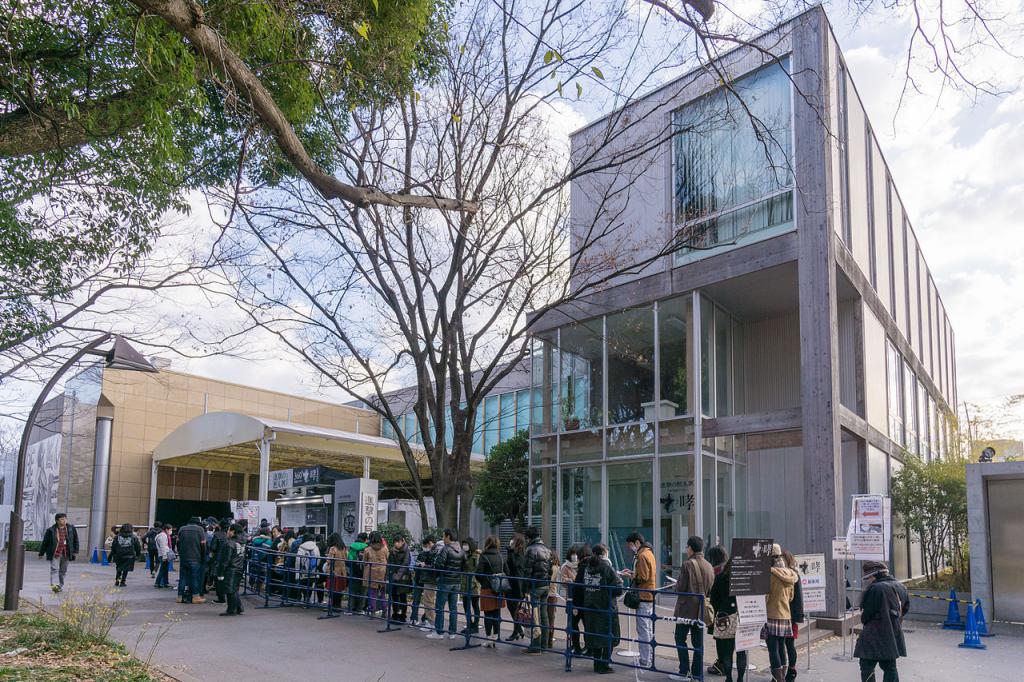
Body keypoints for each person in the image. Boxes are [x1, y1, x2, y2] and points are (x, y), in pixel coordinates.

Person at [854, 560, 909, 682]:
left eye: (868, 577)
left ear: (873, 575)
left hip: (874, 634)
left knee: (866, 664)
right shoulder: (901, 587)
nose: (868, 580)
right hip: (893, 631)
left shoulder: (876, 588)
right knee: (890, 666)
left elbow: (867, 614)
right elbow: (905, 609)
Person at [670, 536, 715, 682]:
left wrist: (675, 585)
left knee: (680, 638)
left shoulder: (688, 564)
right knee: (697, 642)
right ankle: (696, 673)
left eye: (686, 547)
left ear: (690, 548)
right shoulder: (709, 566)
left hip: (686, 609)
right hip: (701, 610)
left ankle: (684, 670)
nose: (686, 550)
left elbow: (681, 588)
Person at [580, 544, 623, 674]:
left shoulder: (587, 567)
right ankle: (604, 664)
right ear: (603, 554)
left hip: (590, 606)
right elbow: (618, 588)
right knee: (609, 635)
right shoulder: (606, 567)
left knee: (595, 636)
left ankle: (597, 663)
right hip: (605, 607)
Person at [708, 549, 747, 682]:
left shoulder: (721, 577)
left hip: (724, 618)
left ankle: (729, 678)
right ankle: (740, 679)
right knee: (741, 652)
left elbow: (714, 600)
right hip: (743, 618)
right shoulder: (746, 578)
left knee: (726, 652)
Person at [621, 531, 657, 669]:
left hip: (643, 596)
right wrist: (632, 573)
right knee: (647, 628)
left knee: (643, 630)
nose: (630, 548)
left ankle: (645, 660)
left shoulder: (642, 556)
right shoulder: (649, 553)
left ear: (637, 542)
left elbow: (643, 577)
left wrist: (630, 576)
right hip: (649, 595)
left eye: (631, 544)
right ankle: (648, 658)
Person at [765, 544, 799, 682]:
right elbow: (791, 597)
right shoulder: (790, 573)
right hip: (786, 615)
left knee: (773, 649)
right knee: (781, 648)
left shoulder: (770, 574)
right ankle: (781, 678)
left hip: (772, 614)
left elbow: (766, 597)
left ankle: (778, 679)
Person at [427, 528, 467, 640]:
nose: (443, 538)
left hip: (445, 582)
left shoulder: (446, 549)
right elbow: (465, 566)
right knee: (453, 608)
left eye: (444, 536)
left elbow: (439, 565)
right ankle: (452, 632)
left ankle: (439, 632)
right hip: (456, 582)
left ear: (448, 537)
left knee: (440, 607)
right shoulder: (461, 550)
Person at [523, 526, 553, 654]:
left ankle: (536, 645)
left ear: (529, 537)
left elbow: (527, 571)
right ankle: (544, 644)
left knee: (535, 616)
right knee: (544, 614)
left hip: (535, 586)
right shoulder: (546, 549)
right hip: (545, 584)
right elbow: (550, 569)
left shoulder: (530, 550)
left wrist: (525, 588)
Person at [476, 535, 506, 646]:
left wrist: (484, 581)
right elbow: (506, 570)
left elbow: (478, 573)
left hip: (487, 588)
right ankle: (496, 636)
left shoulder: (484, 556)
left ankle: (489, 639)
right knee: (497, 614)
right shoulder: (501, 556)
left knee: (488, 614)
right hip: (499, 589)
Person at [38, 512, 79, 593]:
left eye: (65, 519)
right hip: (55, 553)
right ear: (57, 520)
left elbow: (76, 540)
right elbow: (45, 542)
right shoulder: (51, 530)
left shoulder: (71, 528)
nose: (64, 520)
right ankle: (54, 586)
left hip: (66, 552)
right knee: (54, 569)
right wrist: (41, 553)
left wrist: (75, 551)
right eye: (62, 519)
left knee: (63, 571)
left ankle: (60, 585)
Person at [705, 545, 729, 677]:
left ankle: (721, 665)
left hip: (719, 611)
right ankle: (725, 663)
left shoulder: (717, 572)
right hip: (732, 611)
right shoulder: (729, 568)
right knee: (728, 640)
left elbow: (713, 595)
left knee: (720, 639)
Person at [781, 550, 805, 682]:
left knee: (787, 644)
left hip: (787, 614)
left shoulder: (790, 574)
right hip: (790, 614)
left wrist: (797, 615)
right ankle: (791, 670)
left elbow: (797, 597)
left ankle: (790, 669)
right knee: (788, 644)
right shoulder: (795, 574)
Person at [213, 523, 246, 616]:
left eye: (229, 530)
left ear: (233, 531)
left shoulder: (230, 543)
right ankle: (239, 607)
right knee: (234, 589)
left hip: (231, 569)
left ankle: (231, 610)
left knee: (230, 589)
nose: (227, 532)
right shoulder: (242, 542)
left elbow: (225, 560)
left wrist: (220, 572)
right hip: (239, 568)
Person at [176, 516, 207, 604]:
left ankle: (180, 596)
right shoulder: (200, 529)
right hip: (195, 558)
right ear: (198, 523)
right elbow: (203, 546)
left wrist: (180, 553)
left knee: (182, 578)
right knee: (195, 577)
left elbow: (177, 543)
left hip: (183, 557)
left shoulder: (182, 529)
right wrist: (203, 558)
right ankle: (195, 597)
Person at [410, 535, 438, 630]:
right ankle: (422, 619)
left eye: (426, 545)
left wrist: (423, 565)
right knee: (427, 601)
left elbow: (431, 566)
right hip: (423, 579)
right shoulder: (430, 553)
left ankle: (427, 620)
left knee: (427, 601)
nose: (425, 548)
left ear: (429, 543)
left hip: (425, 579)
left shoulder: (433, 553)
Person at [565, 544, 587, 655]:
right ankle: (577, 646)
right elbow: (564, 582)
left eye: (576, 555)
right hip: (573, 598)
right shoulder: (566, 566)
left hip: (578, 599)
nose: (575, 557)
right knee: (574, 623)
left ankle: (582, 648)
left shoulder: (583, 566)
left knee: (577, 623)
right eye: (573, 554)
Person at [505, 533, 527, 641]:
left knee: (514, 609)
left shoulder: (519, 554)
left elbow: (513, 565)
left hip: (516, 585)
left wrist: (509, 552)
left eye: (513, 540)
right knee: (513, 608)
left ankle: (516, 631)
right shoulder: (517, 553)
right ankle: (519, 630)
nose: (511, 542)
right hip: (515, 584)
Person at [387, 535, 414, 622]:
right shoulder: (392, 551)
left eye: (398, 542)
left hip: (403, 578)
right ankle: (395, 614)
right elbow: (389, 563)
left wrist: (397, 575)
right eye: (395, 542)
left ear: (402, 541)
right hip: (394, 576)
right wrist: (391, 574)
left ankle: (403, 615)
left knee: (402, 597)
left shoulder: (406, 551)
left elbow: (405, 564)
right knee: (394, 596)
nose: (396, 544)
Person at [364, 531, 390, 616]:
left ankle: (372, 611)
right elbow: (388, 558)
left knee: (372, 593)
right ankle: (384, 610)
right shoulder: (385, 549)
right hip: (382, 573)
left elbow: (364, 561)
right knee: (383, 593)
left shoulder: (367, 549)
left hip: (371, 573)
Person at [111, 523, 142, 587]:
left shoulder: (117, 537)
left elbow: (113, 546)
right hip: (129, 555)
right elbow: (137, 546)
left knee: (119, 568)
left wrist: (114, 553)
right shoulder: (134, 537)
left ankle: (117, 581)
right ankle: (122, 582)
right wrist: (138, 554)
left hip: (119, 555)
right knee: (126, 569)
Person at [461, 537, 481, 634]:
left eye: (466, 544)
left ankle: (475, 626)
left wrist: (473, 581)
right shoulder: (464, 554)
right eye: (464, 544)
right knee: (466, 605)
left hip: (474, 585)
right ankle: (469, 624)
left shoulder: (476, 556)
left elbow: (478, 570)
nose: (465, 546)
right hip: (465, 583)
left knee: (475, 605)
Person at [325, 533, 349, 609]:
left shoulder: (333, 549)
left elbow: (329, 561)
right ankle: (338, 605)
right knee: (339, 589)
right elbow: (346, 558)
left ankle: (332, 607)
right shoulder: (344, 548)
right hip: (342, 572)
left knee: (332, 589)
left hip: (333, 571)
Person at [347, 532, 370, 613]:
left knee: (352, 590)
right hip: (364, 572)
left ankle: (350, 608)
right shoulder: (367, 548)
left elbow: (348, 559)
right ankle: (360, 609)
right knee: (363, 591)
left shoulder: (352, 547)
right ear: (365, 539)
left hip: (354, 570)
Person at [296, 532, 321, 603]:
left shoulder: (301, 547)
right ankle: (308, 598)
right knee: (310, 585)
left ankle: (305, 598)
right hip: (313, 570)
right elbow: (318, 558)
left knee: (303, 584)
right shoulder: (316, 547)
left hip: (303, 571)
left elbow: (298, 560)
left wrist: (297, 570)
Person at [154, 524, 174, 589]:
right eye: (170, 530)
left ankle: (165, 583)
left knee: (165, 570)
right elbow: (162, 547)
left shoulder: (162, 535)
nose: (171, 531)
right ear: (166, 529)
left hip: (162, 554)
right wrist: (164, 556)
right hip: (163, 555)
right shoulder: (163, 536)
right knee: (162, 570)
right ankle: (157, 583)